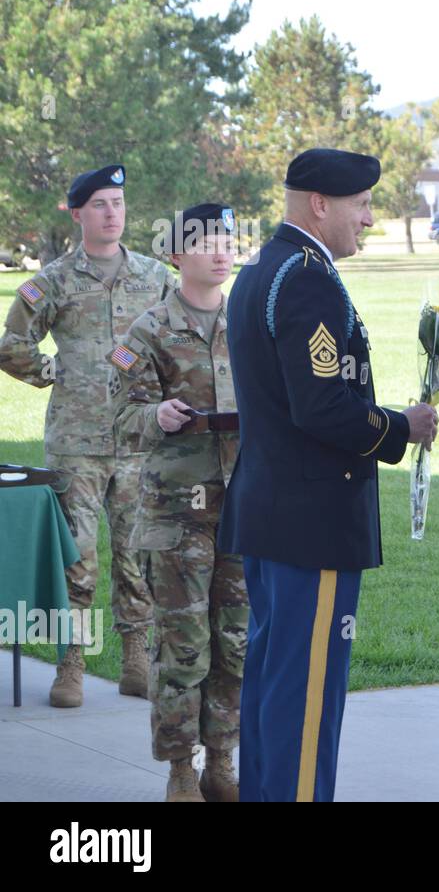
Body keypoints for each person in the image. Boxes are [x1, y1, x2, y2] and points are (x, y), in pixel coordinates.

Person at [218, 149, 438, 802]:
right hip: (309, 524)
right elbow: (319, 406)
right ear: (320, 204)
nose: (370, 219)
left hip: (274, 514)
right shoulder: (306, 277)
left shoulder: (266, 266)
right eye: (362, 205)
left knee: (273, 687)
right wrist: (401, 427)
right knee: (305, 700)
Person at [0, 164, 173, 707]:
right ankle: (70, 664)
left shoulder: (154, 275)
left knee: (136, 552)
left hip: (140, 442)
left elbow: (182, 335)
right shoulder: (52, 280)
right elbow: (10, 344)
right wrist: (57, 373)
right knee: (77, 556)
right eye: (100, 204)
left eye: (118, 203)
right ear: (77, 214)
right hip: (77, 443)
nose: (112, 213)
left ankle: (136, 659)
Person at [111, 203, 246, 802]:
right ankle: (180, 770)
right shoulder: (149, 329)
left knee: (236, 644)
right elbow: (120, 418)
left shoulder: (250, 322)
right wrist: (156, 416)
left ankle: (222, 761)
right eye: (207, 242)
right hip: (177, 514)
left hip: (243, 509)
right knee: (183, 649)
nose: (221, 252)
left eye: (229, 241)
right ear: (176, 255)